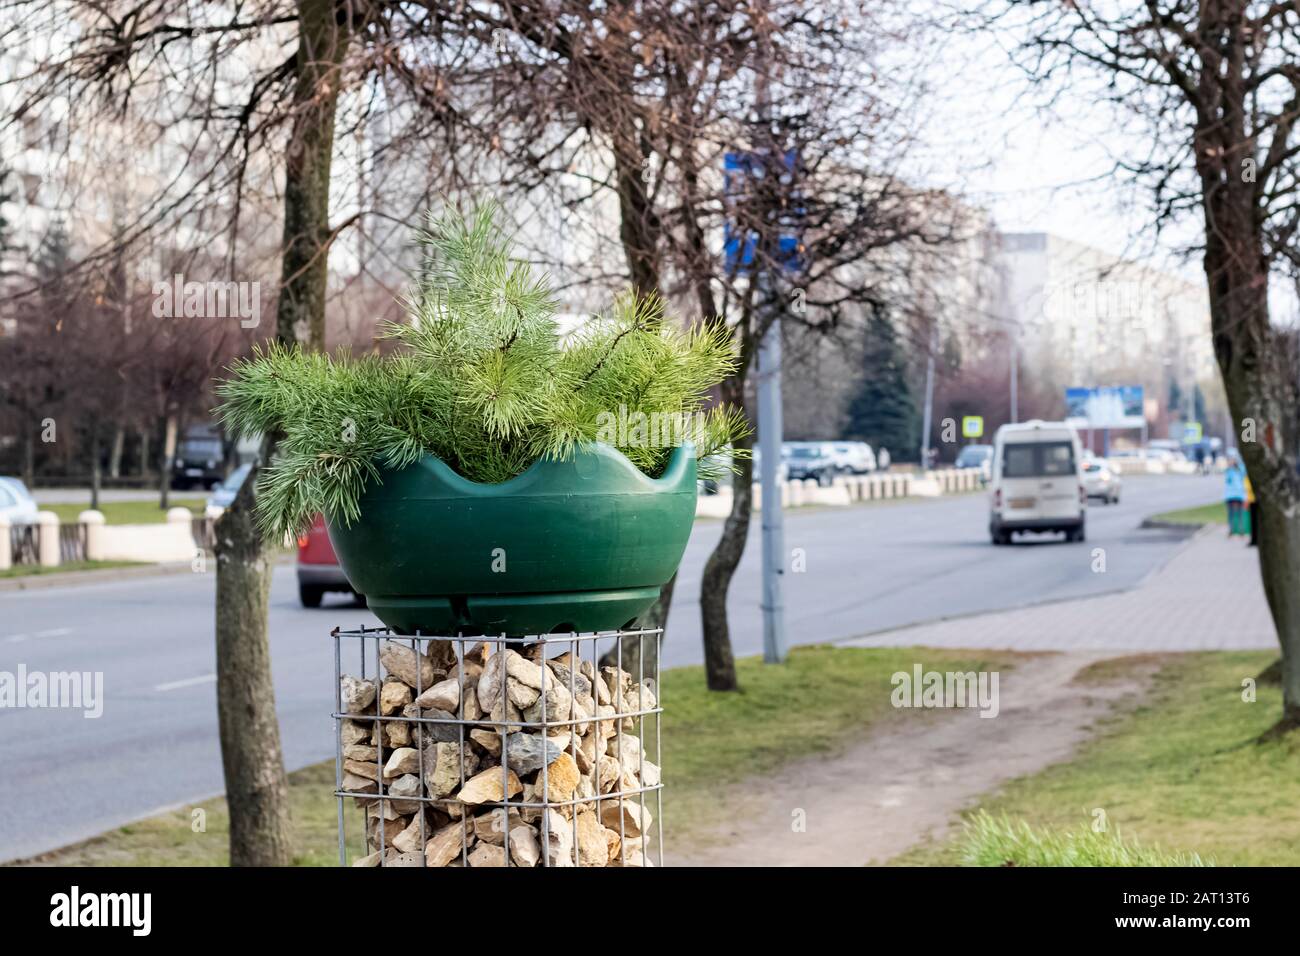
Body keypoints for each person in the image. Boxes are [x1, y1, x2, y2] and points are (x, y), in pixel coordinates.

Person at [1224, 452, 1247, 536]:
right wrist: (1230, 467)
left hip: (1239, 493)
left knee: (1240, 512)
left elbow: (1243, 474)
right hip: (1230, 494)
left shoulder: (1241, 468)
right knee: (1231, 513)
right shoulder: (1228, 469)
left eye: (1233, 459)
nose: (1231, 461)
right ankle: (1231, 529)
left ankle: (1241, 529)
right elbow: (1227, 480)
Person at [1246, 472, 1258, 547]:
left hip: (1254, 500)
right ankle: (1254, 539)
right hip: (1251, 500)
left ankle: (1255, 540)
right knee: (1253, 522)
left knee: (1254, 522)